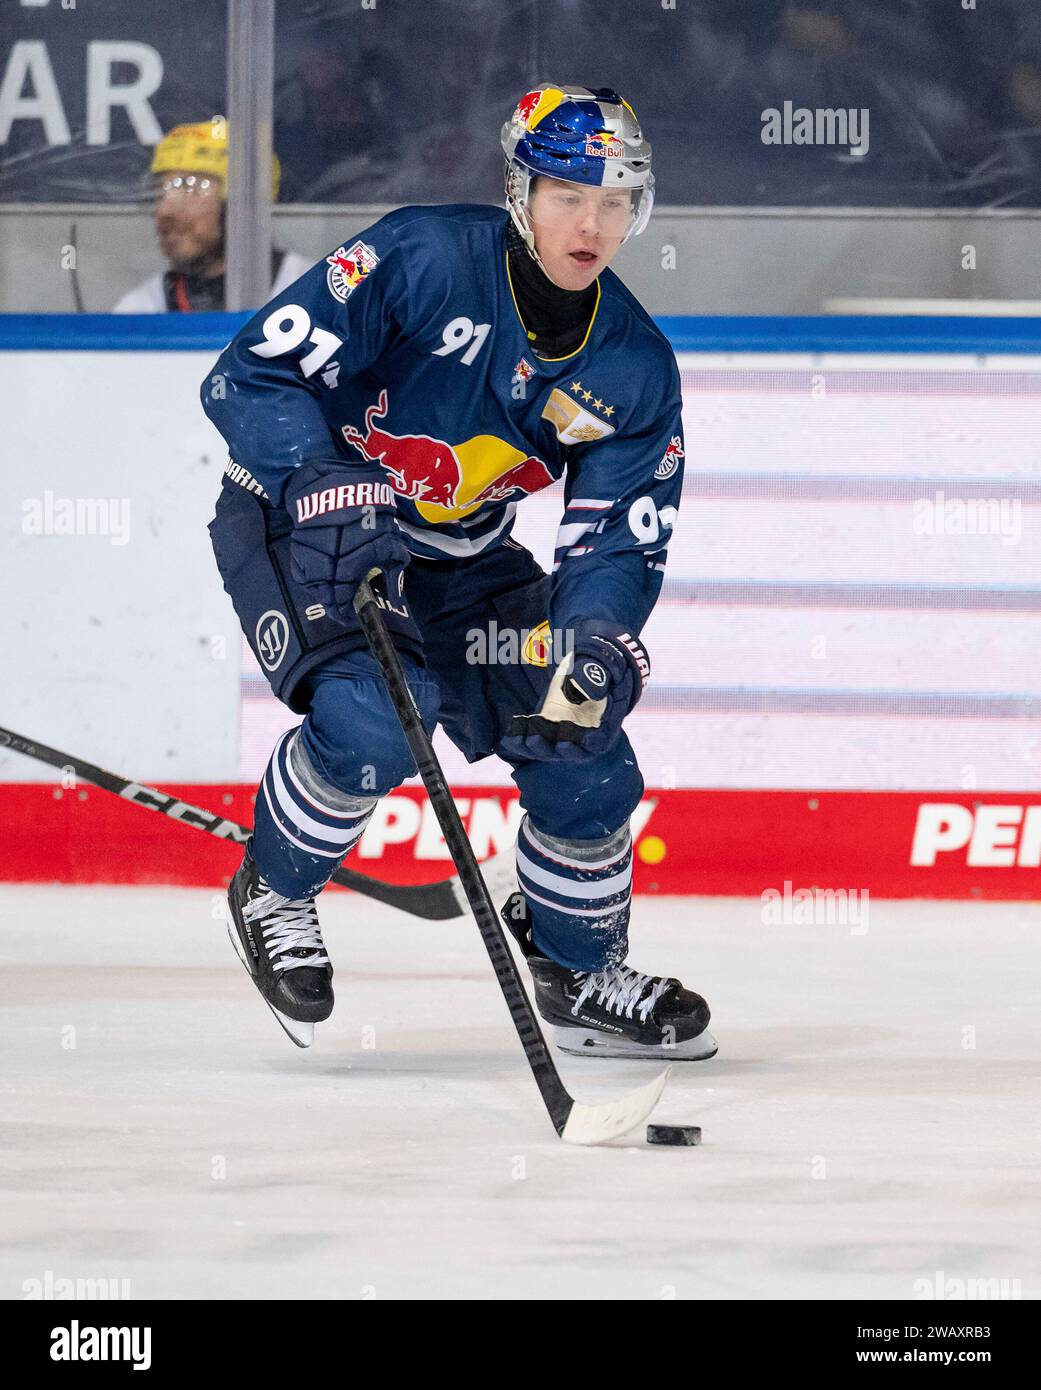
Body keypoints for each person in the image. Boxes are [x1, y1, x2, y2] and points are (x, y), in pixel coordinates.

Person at [201, 83, 717, 1061]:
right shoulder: (422, 257)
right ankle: (273, 886)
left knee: (583, 738)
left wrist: (597, 638)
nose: (592, 223)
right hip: (299, 520)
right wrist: (319, 480)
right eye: (570, 194)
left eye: (615, 201)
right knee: (374, 721)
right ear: (521, 191)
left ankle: (577, 967)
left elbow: (612, 540)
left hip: (463, 559)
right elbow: (245, 375)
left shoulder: (634, 365)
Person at [113, 121, 310, 313]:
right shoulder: (143, 307)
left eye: (189, 188)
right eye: (159, 193)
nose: (165, 211)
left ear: (242, 202)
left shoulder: (312, 292)